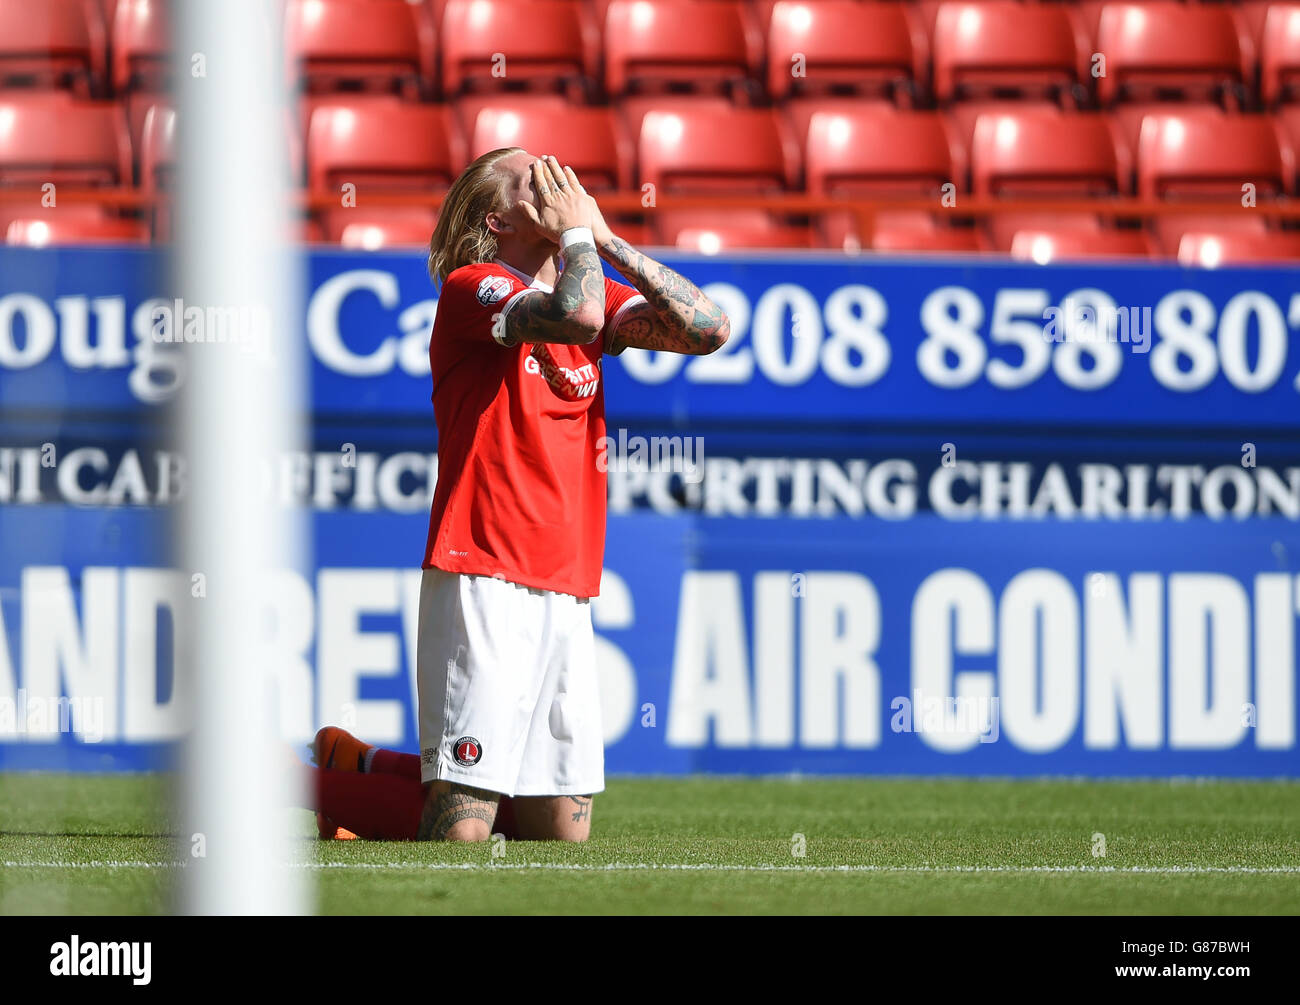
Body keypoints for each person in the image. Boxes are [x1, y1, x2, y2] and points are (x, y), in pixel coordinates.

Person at [303, 150, 729, 841]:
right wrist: (582, 238)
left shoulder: (584, 279)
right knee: (462, 836)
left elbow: (709, 328)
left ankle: (363, 764)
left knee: (556, 836)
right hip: (483, 570)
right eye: (537, 178)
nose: (560, 179)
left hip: (567, 579)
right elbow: (578, 317)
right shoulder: (476, 287)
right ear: (499, 218)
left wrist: (607, 237)